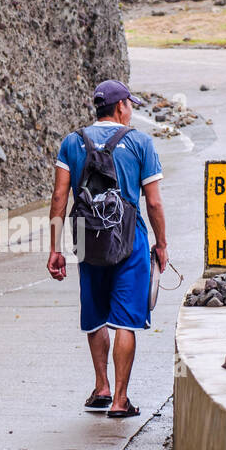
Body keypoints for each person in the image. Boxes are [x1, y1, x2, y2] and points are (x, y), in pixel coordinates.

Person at [46, 79, 168, 419]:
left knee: (96, 315)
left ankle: (100, 386)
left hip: (87, 238)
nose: (131, 111)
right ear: (120, 107)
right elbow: (154, 204)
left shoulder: (72, 142)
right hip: (130, 239)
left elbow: (59, 197)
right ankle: (119, 399)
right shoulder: (140, 142)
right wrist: (161, 243)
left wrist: (55, 248)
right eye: (130, 105)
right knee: (125, 322)